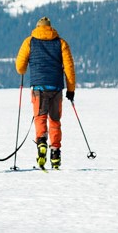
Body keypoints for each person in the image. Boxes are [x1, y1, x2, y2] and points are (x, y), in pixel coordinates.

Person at [15, 16, 77, 171]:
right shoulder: (61, 43)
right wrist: (71, 90)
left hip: (39, 87)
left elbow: (20, 68)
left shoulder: (29, 41)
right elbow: (69, 68)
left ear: (37, 27)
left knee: (40, 117)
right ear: (50, 27)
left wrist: (26, 67)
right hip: (56, 87)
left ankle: (41, 142)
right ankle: (55, 152)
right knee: (55, 120)